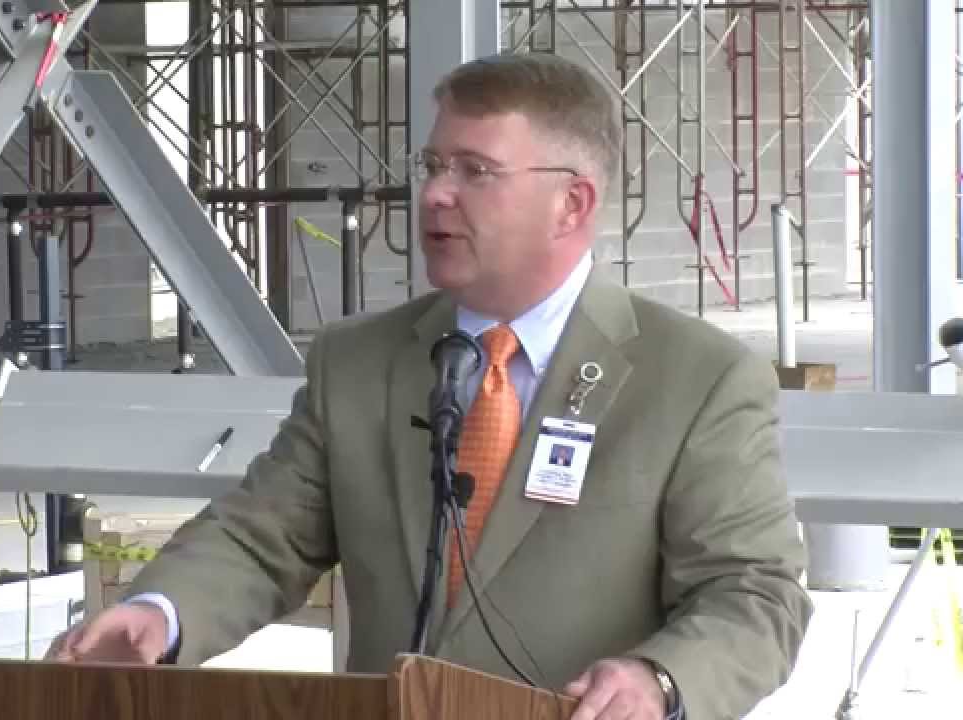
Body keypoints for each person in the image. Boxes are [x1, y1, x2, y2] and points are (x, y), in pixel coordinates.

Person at [48, 53, 812, 720]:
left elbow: (756, 596)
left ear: (571, 203)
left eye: (475, 171)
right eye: (433, 166)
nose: (437, 194)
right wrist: (160, 613)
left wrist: (661, 680)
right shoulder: (358, 361)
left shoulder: (697, 379)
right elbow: (262, 536)